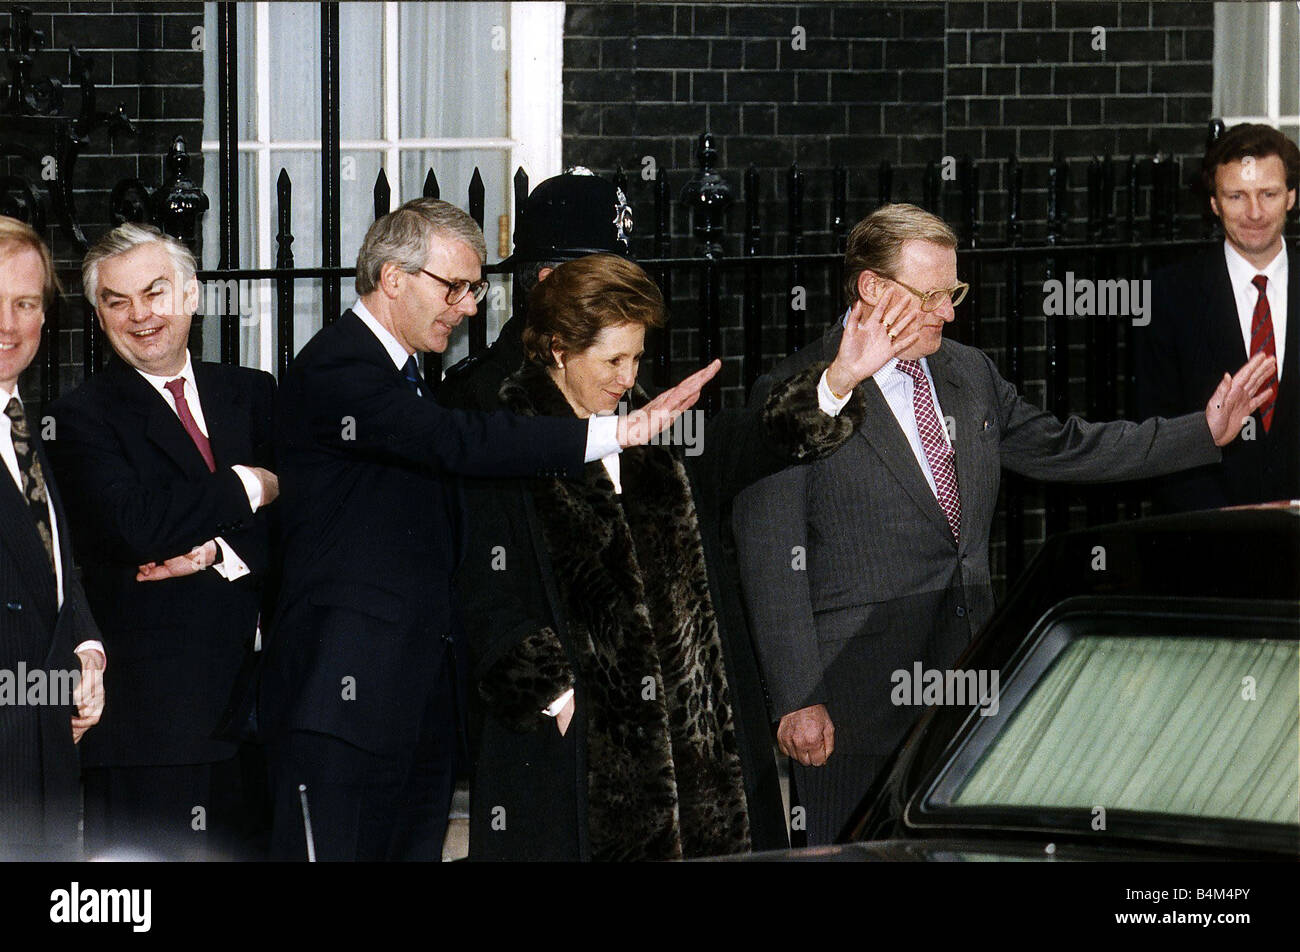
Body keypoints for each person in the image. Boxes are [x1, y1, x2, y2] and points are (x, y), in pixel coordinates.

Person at [732, 203, 1275, 846]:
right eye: (931, 295)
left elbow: (1066, 446)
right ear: (872, 288)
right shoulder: (795, 393)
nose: (949, 311)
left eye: (952, 292)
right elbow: (769, 556)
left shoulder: (968, 373)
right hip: (850, 701)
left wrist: (1199, 432)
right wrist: (796, 697)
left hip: (963, 686)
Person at [259, 199, 718, 862]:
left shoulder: (409, 379)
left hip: (416, 707)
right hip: (340, 707)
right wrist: (616, 431)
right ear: (393, 278)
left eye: (475, 289)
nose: (471, 307)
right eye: (455, 288)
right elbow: (458, 441)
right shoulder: (339, 370)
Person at [457, 253, 864, 860]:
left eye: (637, 358)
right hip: (577, 764)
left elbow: (751, 442)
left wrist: (838, 381)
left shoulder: (656, 427)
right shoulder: (506, 443)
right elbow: (482, 595)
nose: (627, 377)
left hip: (701, 756)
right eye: (613, 360)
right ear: (560, 349)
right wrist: (562, 699)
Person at [46, 223, 278, 859]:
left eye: (155, 292)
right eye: (117, 302)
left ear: (192, 295)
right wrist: (250, 484)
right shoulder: (78, 419)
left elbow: (304, 520)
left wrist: (214, 552)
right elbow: (136, 525)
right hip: (154, 731)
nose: (141, 315)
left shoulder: (253, 393)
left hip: (264, 715)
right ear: (99, 317)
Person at [0, 216, 105, 858]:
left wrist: (86, 650)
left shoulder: (23, 426)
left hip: (43, 761)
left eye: (25, 303)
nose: (7, 325)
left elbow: (50, 571)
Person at [1137, 122, 1300, 511]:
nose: (1255, 212)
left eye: (1269, 194)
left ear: (1292, 197)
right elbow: (1155, 431)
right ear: (1213, 203)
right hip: (1210, 537)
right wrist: (1219, 519)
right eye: (1237, 196)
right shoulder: (1166, 296)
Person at [440, 167, 633, 410]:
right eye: (606, 285)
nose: (623, 297)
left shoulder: (616, 376)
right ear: (550, 283)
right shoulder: (486, 394)